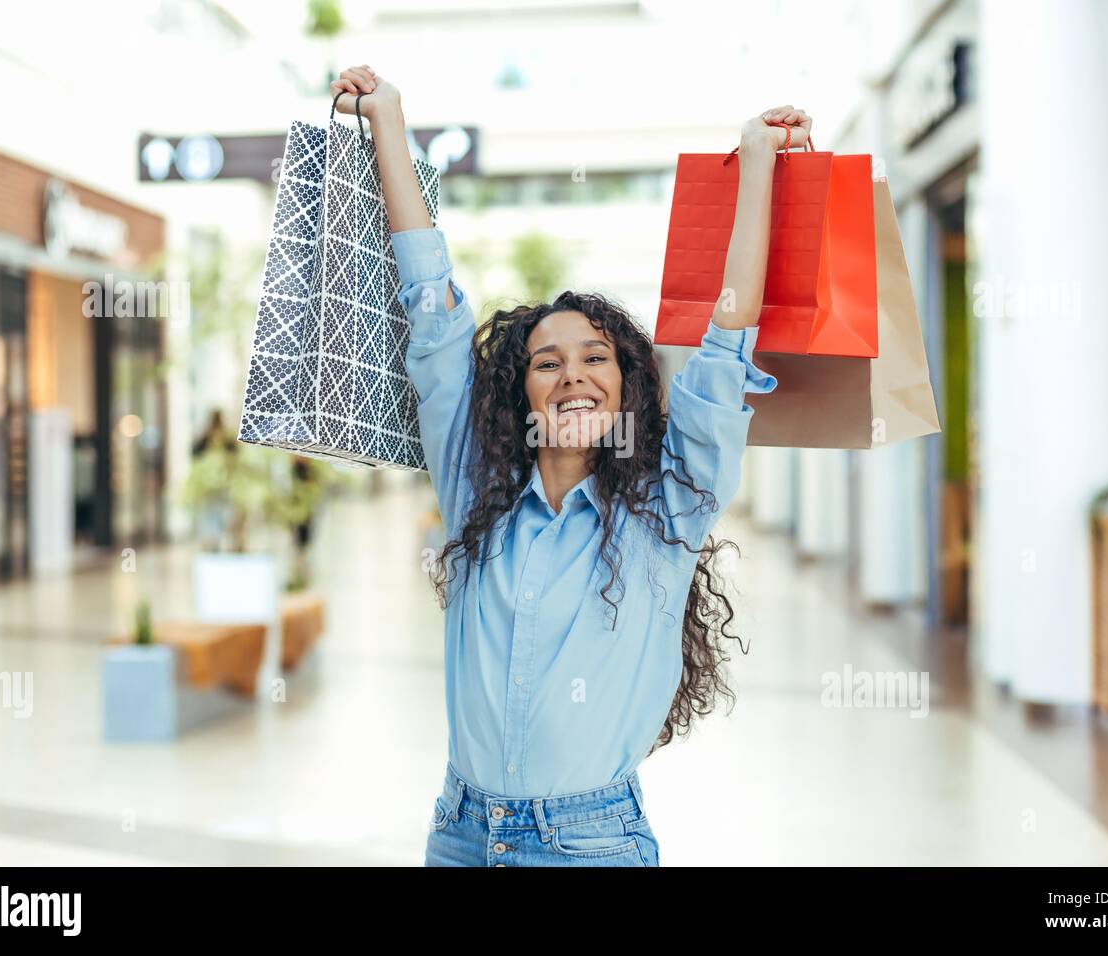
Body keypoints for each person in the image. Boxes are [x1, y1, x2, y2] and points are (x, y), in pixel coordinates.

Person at [331, 64, 805, 867]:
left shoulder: (668, 508)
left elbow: (729, 341)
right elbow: (433, 308)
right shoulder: (476, 490)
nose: (574, 374)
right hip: (460, 833)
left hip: (587, 845)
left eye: (598, 358)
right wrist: (389, 121)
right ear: (520, 396)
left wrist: (756, 163)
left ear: (630, 390)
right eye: (547, 363)